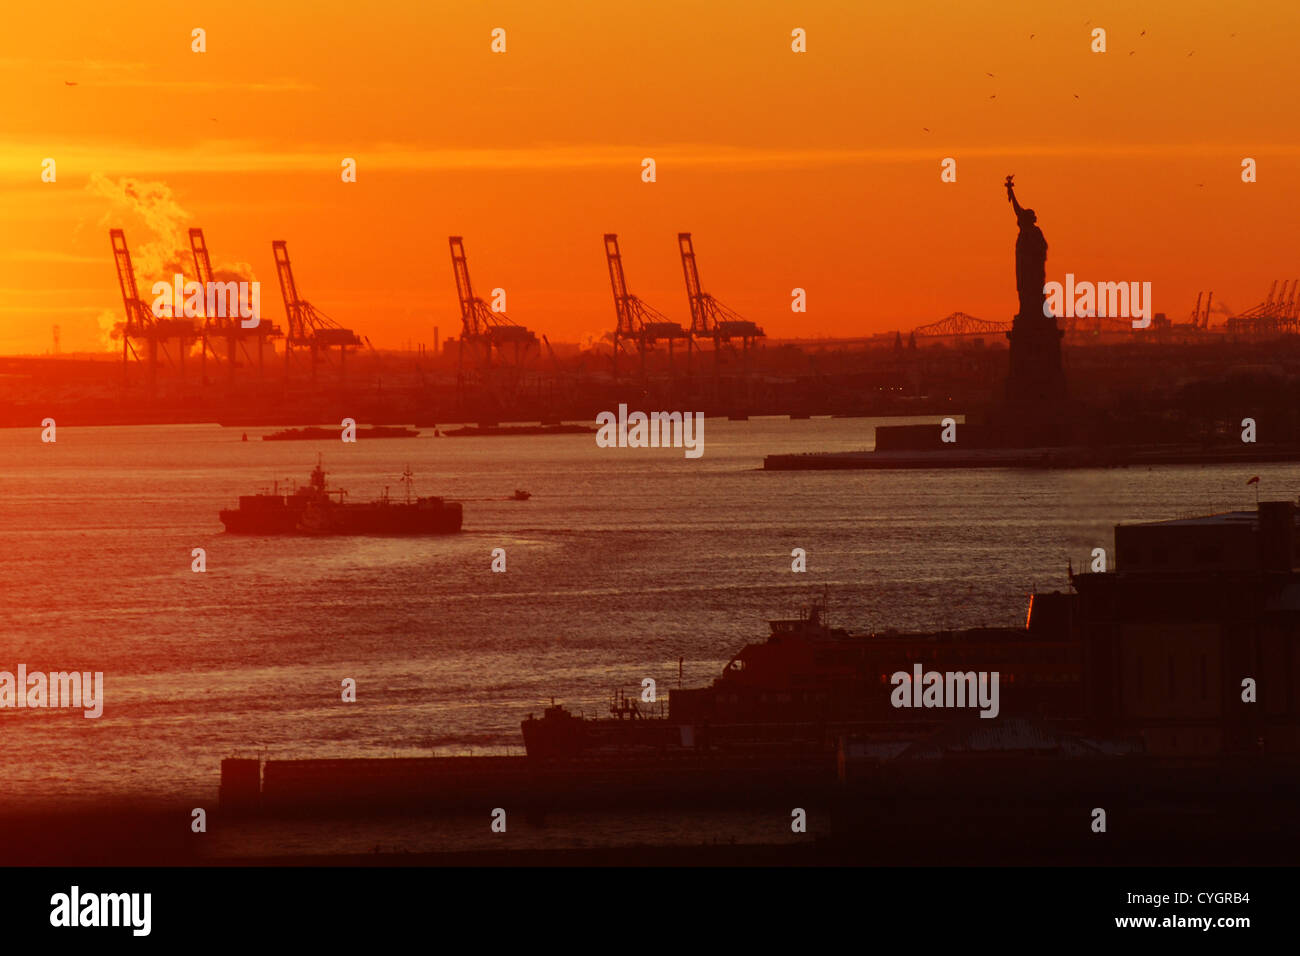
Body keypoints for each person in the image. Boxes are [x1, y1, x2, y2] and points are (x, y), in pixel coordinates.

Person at [1006, 176, 1048, 320]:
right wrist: (1011, 191)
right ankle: (1026, 311)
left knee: (1034, 290)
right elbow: (1017, 209)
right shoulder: (1025, 231)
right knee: (1023, 289)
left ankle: (1035, 312)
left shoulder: (1035, 232)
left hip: (1033, 271)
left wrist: (1033, 257)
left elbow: (1043, 249)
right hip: (1023, 268)